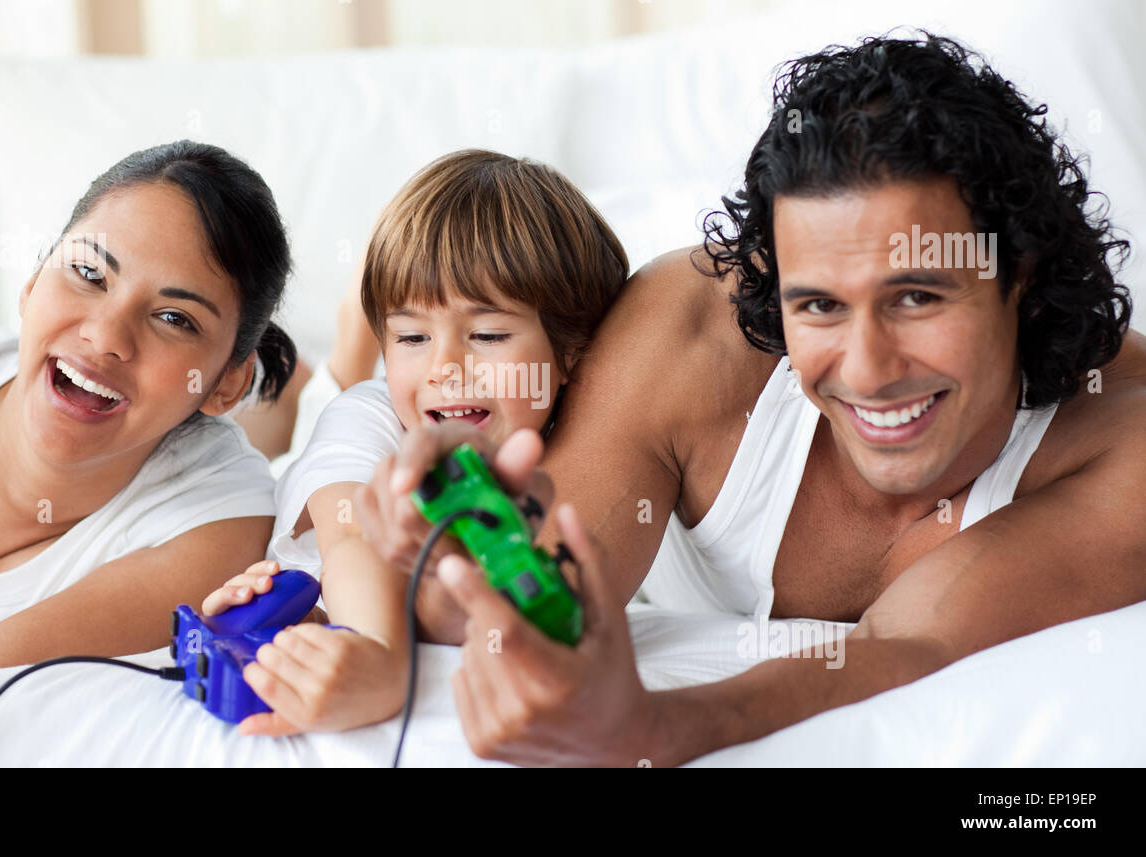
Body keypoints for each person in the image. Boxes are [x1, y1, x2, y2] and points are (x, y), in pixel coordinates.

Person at [352, 34, 1146, 765]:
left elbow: (909, 647)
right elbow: (533, 596)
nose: (868, 372)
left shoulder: (1121, 437)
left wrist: (650, 728)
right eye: (820, 306)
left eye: (916, 297)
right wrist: (452, 560)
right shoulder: (689, 331)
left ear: (1022, 273)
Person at [200, 149, 630, 735]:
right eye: (410, 337)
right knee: (312, 405)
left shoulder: (598, 445)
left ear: (572, 353)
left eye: (487, 333)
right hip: (323, 455)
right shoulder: (374, 416)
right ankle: (349, 341)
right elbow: (354, 535)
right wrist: (376, 657)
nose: (444, 367)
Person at [0, 140, 298, 691]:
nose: (105, 336)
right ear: (34, 280)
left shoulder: (219, 523)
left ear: (228, 382)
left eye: (175, 318)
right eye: (88, 271)